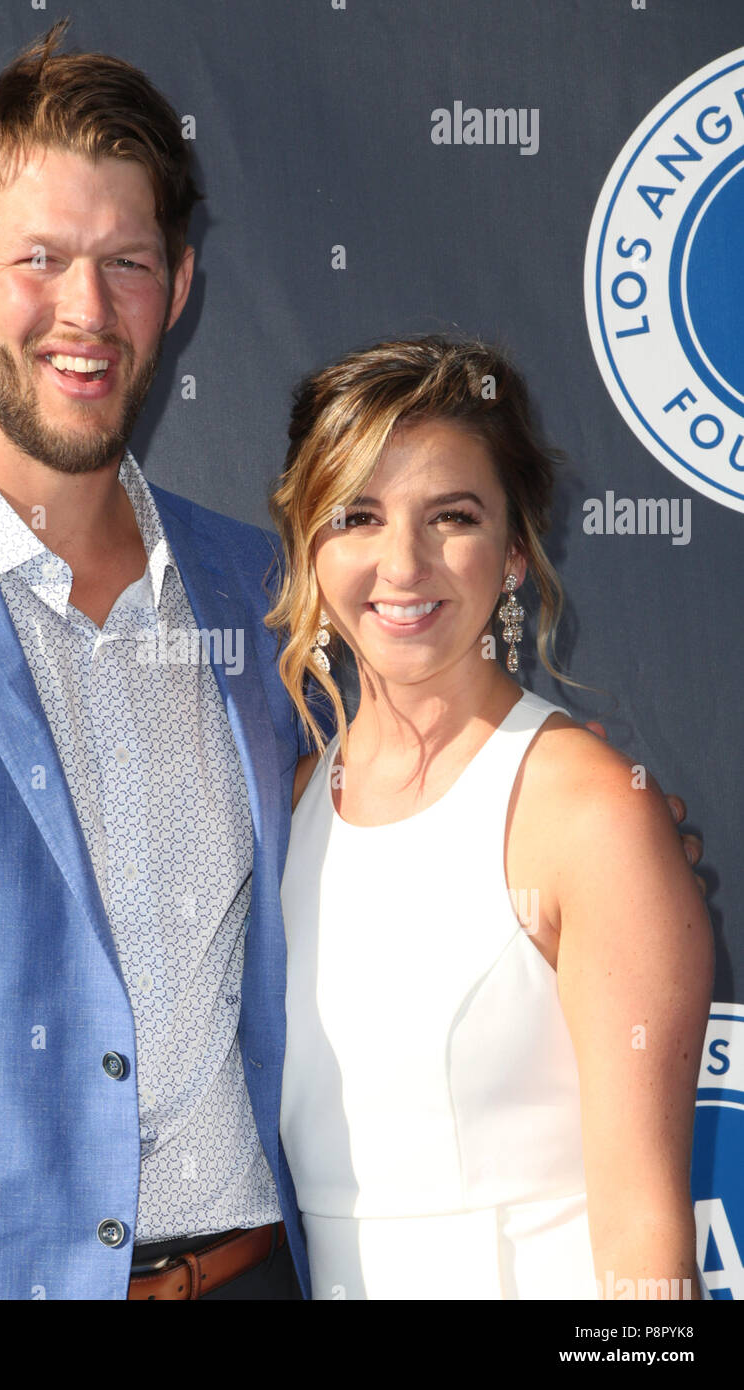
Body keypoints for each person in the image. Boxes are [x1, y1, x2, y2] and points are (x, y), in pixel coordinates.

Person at [0, 27, 702, 1302]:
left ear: (180, 285)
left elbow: (435, 815)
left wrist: (615, 846)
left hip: (263, 1277)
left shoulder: (267, 593)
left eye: (126, 262)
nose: (86, 312)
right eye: (38, 258)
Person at [266, 336, 713, 1299]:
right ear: (310, 546)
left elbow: (646, 1236)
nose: (403, 563)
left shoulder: (588, 813)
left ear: (513, 553)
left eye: (452, 517)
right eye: (357, 516)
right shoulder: (291, 804)